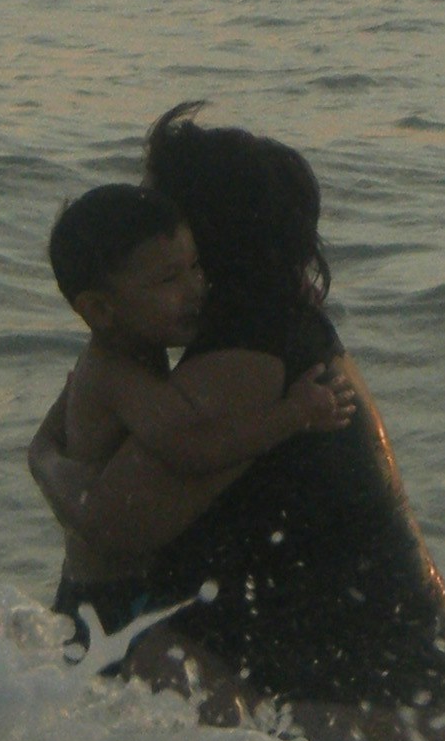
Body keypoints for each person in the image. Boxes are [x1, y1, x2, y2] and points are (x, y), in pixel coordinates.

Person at [33, 108, 445, 741]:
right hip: (383, 679)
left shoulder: (250, 364)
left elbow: (111, 524)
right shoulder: (265, 335)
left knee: (132, 645)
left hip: (374, 695)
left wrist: (44, 464)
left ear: (204, 238)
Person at [35, 180, 355, 666]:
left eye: (196, 266)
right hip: (109, 603)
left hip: (110, 590)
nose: (195, 289)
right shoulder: (117, 373)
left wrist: (282, 289)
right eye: (168, 281)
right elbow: (190, 446)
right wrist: (295, 414)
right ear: (100, 309)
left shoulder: (125, 353)